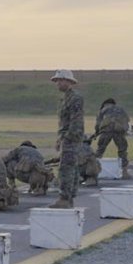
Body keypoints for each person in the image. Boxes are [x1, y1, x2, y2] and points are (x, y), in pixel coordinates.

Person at [51, 69, 87, 208]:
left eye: (59, 80)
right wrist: (60, 138)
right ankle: (68, 197)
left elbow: (76, 121)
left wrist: (67, 138)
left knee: (66, 168)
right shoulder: (66, 97)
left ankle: (65, 198)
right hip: (67, 137)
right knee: (71, 167)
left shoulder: (75, 98)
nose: (57, 83)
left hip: (71, 138)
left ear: (68, 81)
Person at [94, 96, 130, 162]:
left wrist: (97, 132)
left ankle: (94, 168)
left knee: (100, 149)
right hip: (119, 131)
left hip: (106, 131)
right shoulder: (121, 109)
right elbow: (126, 121)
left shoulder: (103, 110)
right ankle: (124, 170)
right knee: (122, 151)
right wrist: (124, 131)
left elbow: (98, 124)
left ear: (105, 104)